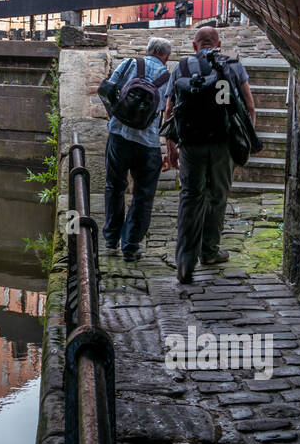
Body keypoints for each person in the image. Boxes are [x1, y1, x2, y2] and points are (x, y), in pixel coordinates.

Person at [163, 24, 255, 283]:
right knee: (217, 195)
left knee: (190, 197)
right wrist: (246, 141)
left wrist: (170, 146)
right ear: (219, 44)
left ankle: (184, 261)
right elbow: (249, 106)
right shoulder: (232, 65)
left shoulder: (180, 68)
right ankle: (210, 250)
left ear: (195, 46)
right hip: (222, 143)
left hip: (190, 144)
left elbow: (169, 110)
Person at [100, 37, 174, 261]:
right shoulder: (167, 78)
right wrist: (171, 149)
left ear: (148, 50)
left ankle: (111, 239)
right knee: (143, 195)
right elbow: (169, 112)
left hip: (119, 136)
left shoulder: (130, 63)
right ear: (166, 57)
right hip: (148, 143)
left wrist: (115, 116)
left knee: (114, 185)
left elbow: (107, 89)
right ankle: (130, 246)